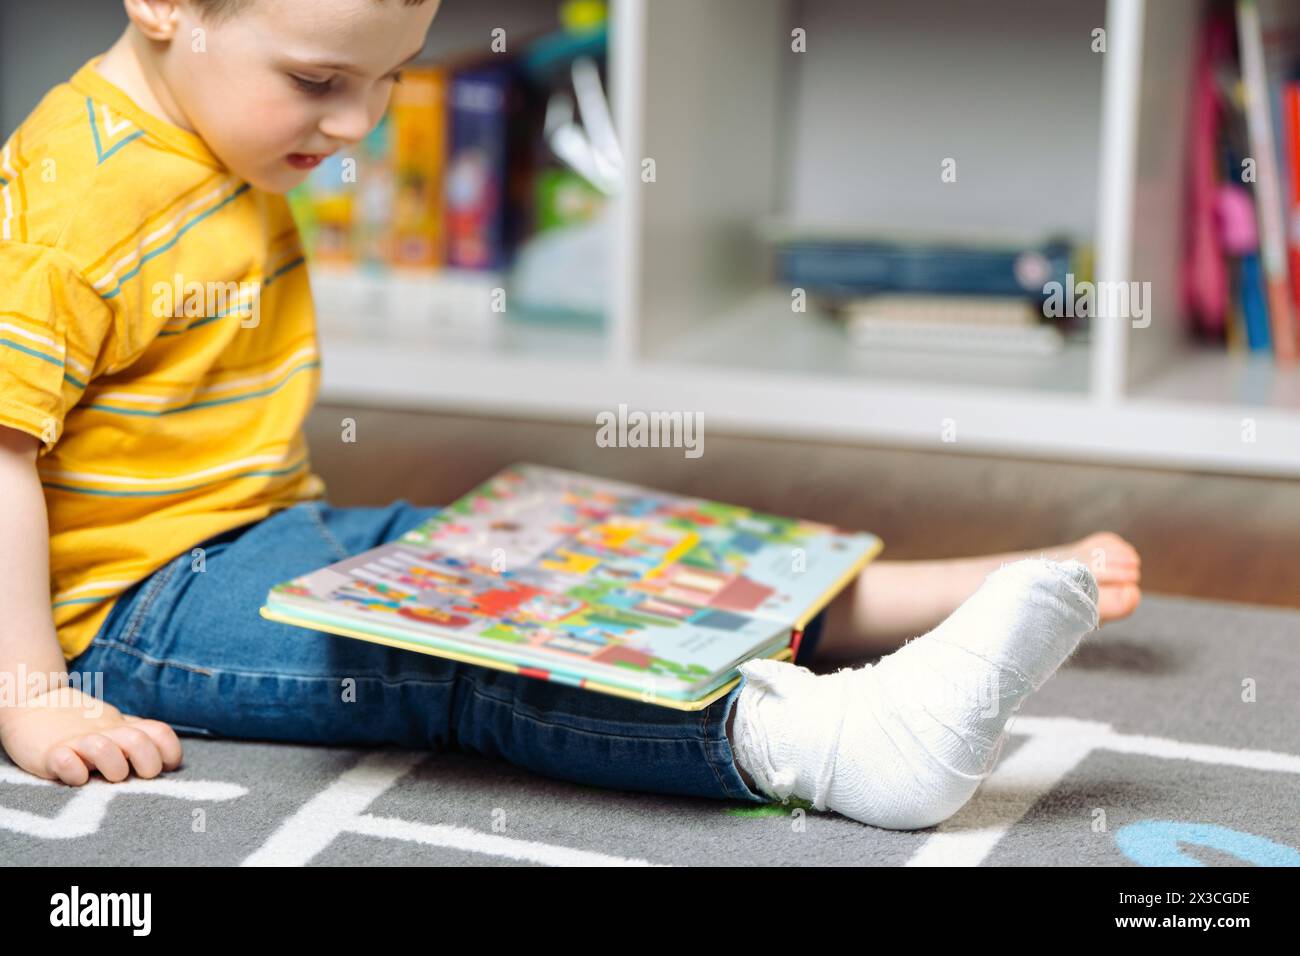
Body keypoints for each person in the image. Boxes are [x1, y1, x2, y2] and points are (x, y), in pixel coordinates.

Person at [0, 0, 1141, 831]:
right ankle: (825, 743)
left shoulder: (210, 131)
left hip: (260, 533)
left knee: (536, 554)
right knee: (460, 659)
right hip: (127, 615)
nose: (358, 123)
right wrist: (37, 694)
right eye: (318, 81)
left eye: (390, 77)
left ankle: (925, 593)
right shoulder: (79, 209)